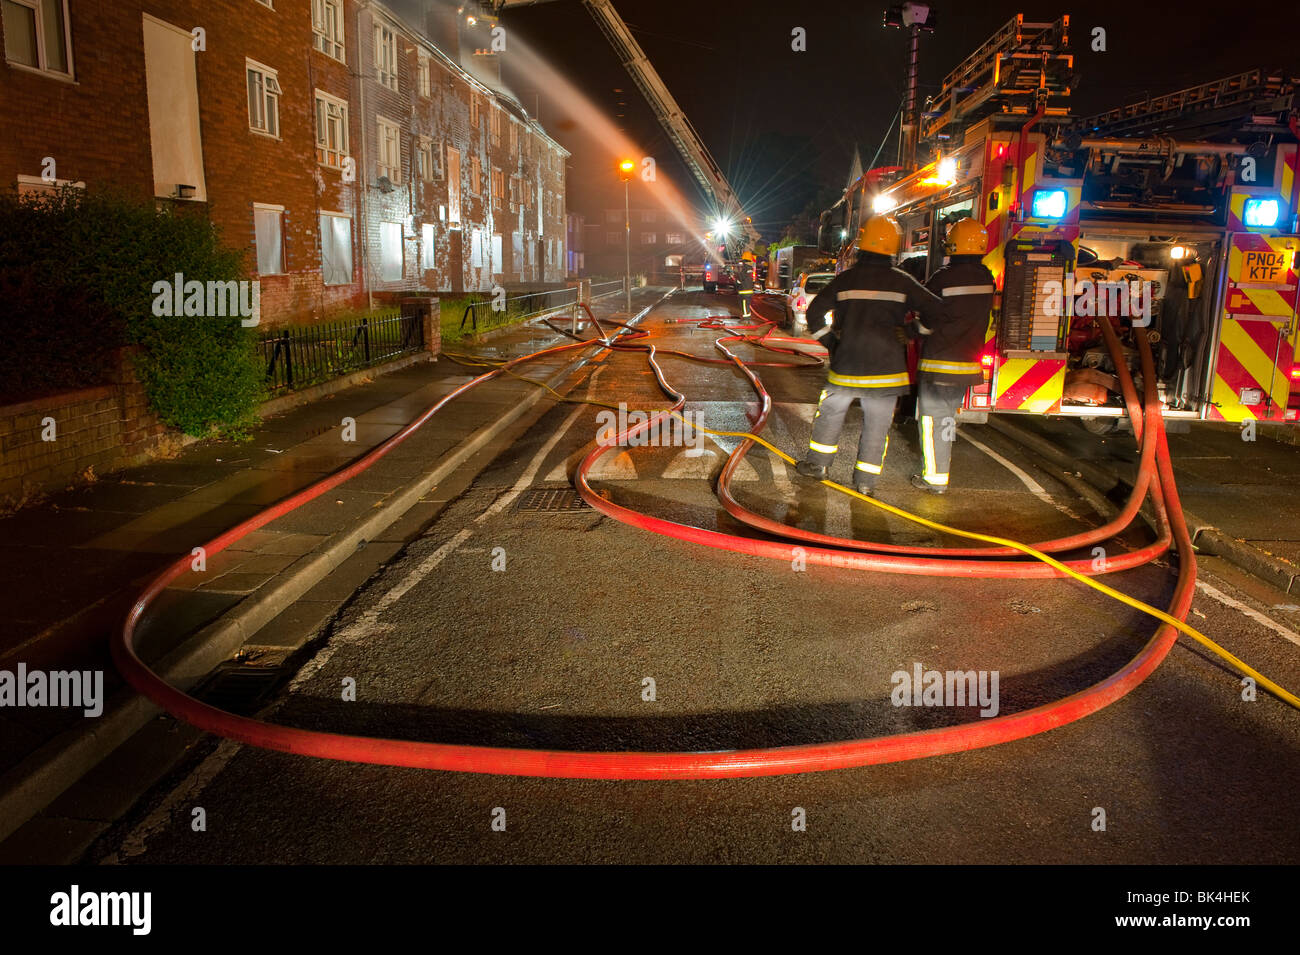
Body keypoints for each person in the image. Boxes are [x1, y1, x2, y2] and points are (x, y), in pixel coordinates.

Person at [797, 214, 947, 496]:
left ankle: (818, 466)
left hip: (847, 367)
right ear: (892, 247)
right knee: (877, 428)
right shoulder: (902, 282)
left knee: (829, 415)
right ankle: (865, 483)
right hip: (887, 372)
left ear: (862, 245)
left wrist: (830, 342)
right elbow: (938, 311)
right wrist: (913, 331)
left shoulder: (847, 279)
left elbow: (815, 312)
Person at [911, 217, 996, 494]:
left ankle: (934, 479)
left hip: (938, 365)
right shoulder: (986, 278)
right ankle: (940, 470)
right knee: (946, 418)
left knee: (933, 420)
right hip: (966, 367)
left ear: (953, 245)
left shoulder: (942, 278)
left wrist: (914, 330)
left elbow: (926, 319)